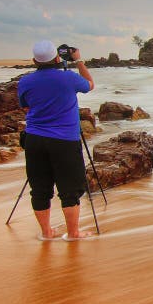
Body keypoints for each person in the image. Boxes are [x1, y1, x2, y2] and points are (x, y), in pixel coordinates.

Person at [17, 40, 95, 241]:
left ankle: (46, 233)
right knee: (70, 190)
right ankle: (73, 233)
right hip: (65, 141)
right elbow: (90, 85)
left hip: (34, 140)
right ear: (58, 58)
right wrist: (79, 61)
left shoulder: (25, 82)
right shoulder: (68, 78)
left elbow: (25, 106)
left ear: (34, 61)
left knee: (40, 189)